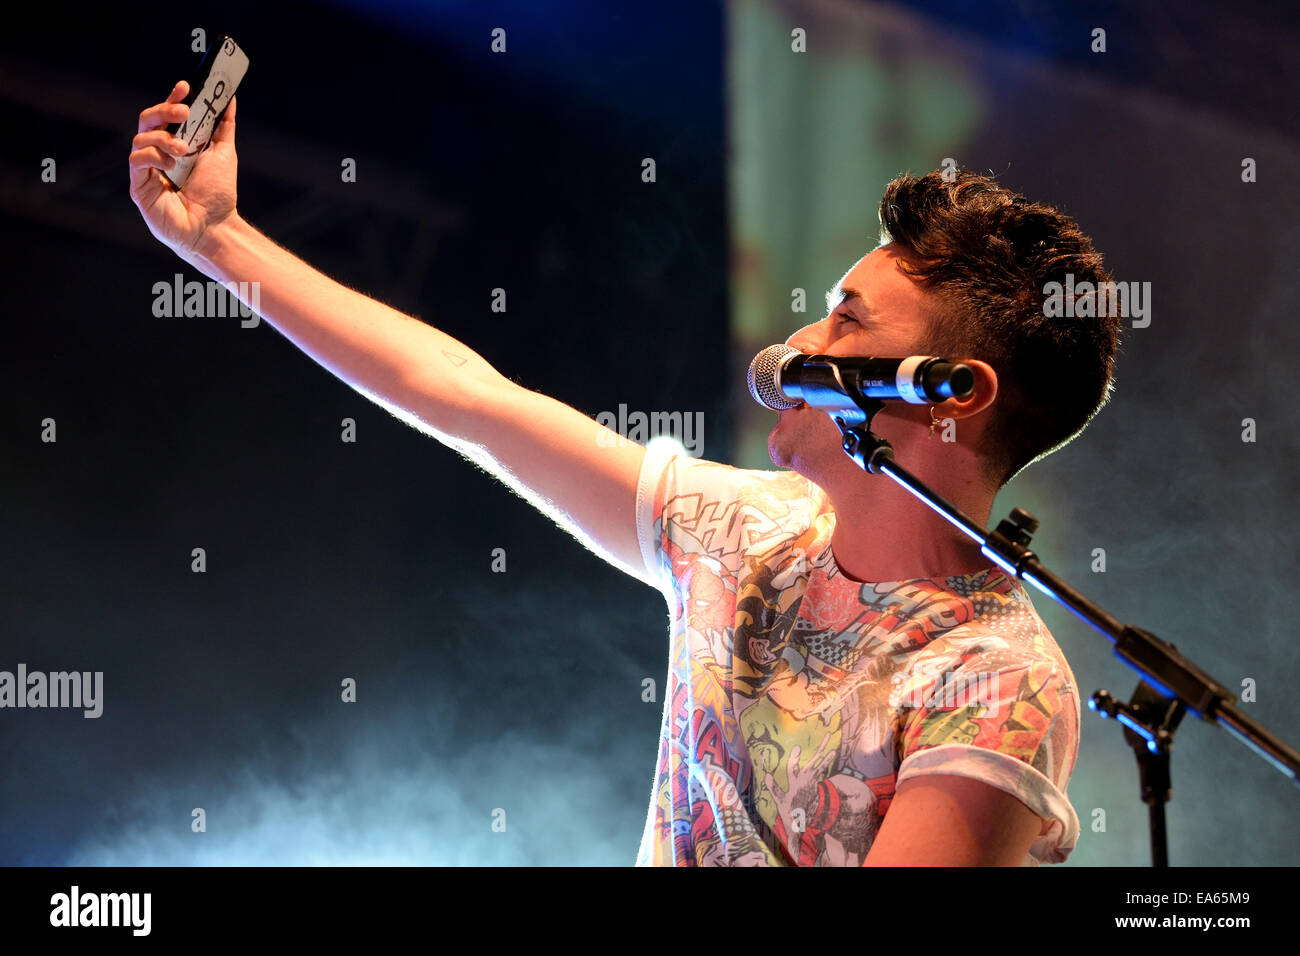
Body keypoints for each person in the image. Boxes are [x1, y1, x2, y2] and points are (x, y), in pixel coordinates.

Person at [129, 81, 1120, 866]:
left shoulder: (998, 683)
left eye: (848, 322)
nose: (797, 343)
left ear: (952, 392)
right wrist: (215, 238)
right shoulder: (750, 528)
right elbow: (467, 396)